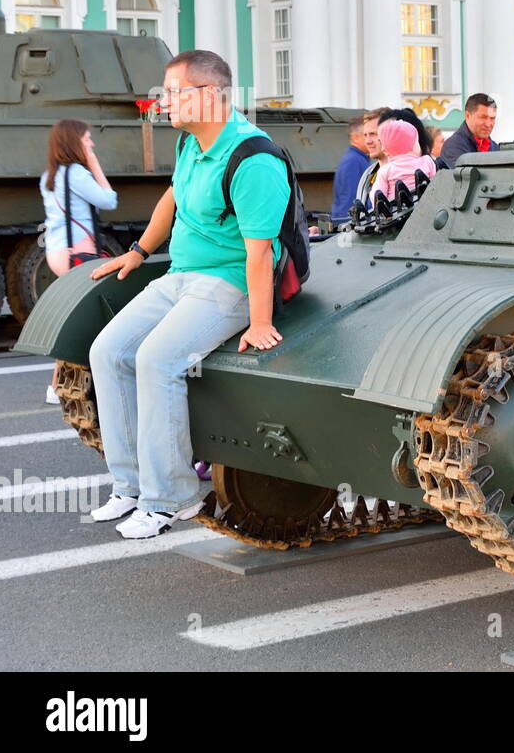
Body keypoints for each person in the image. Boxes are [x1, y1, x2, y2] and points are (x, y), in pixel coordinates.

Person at [86, 49, 292, 539]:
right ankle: (130, 486)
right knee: (108, 350)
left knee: (157, 359)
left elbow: (260, 253)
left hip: (228, 282)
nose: (165, 103)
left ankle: (171, 498)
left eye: (175, 93)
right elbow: (172, 197)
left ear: (211, 96)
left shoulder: (253, 158)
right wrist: (137, 251)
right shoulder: (191, 145)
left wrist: (260, 322)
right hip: (181, 276)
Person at [39, 119, 118, 403]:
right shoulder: (76, 173)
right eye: (87, 140)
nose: (91, 144)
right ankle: (74, 384)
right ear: (75, 142)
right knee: (91, 319)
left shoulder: (50, 174)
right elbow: (109, 200)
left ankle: (58, 384)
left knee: (75, 317)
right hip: (80, 253)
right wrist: (93, 163)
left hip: (58, 252)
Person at [371, 118, 436, 204]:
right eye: (416, 142)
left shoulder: (385, 170)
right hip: (426, 205)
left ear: (386, 150)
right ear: (413, 145)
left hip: (398, 213)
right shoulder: (427, 161)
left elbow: (376, 198)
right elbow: (437, 184)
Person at [440, 93, 499, 168]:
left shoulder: (494, 147)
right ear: (467, 115)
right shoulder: (453, 147)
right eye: (483, 117)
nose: (488, 124)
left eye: (492, 118)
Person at [330, 116, 369, 221]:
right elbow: (350, 200)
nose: (371, 139)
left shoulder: (357, 159)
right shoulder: (353, 162)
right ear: (356, 137)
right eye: (366, 135)